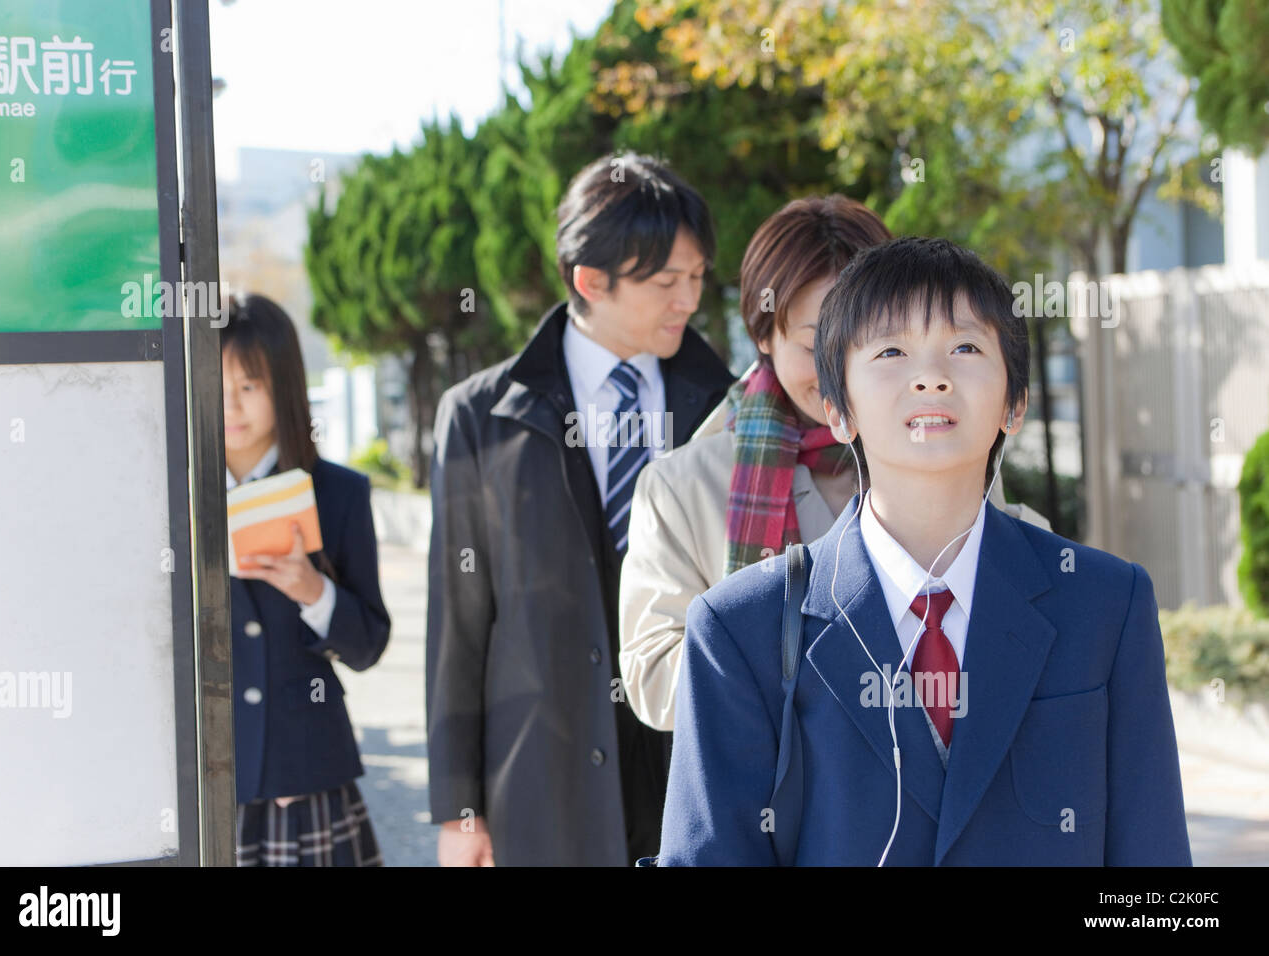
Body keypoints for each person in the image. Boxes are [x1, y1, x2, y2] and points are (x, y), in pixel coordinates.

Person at [658, 237, 1191, 865]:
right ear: (838, 410)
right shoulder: (740, 628)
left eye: (965, 347)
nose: (931, 375)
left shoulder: (1106, 603)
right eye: (891, 350)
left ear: (1014, 403)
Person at [620, 197, 1048, 732]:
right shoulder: (682, 486)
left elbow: (998, 622)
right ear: (762, 336)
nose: (838, 366)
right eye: (817, 342)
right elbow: (652, 675)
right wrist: (817, 666)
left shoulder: (946, 452)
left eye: (880, 345)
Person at [426, 152, 736, 866]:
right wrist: (460, 809)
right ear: (590, 281)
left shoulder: (727, 407)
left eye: (696, 277)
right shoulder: (481, 417)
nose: (688, 300)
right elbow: (459, 621)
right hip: (542, 771)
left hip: (689, 763)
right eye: (666, 282)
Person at [221, 293, 391, 866]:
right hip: (206, 776)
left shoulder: (339, 494)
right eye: (217, 385)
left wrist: (312, 592)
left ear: (283, 386)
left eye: (249, 385)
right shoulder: (172, 491)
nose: (232, 406)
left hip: (306, 774)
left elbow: (368, 644)